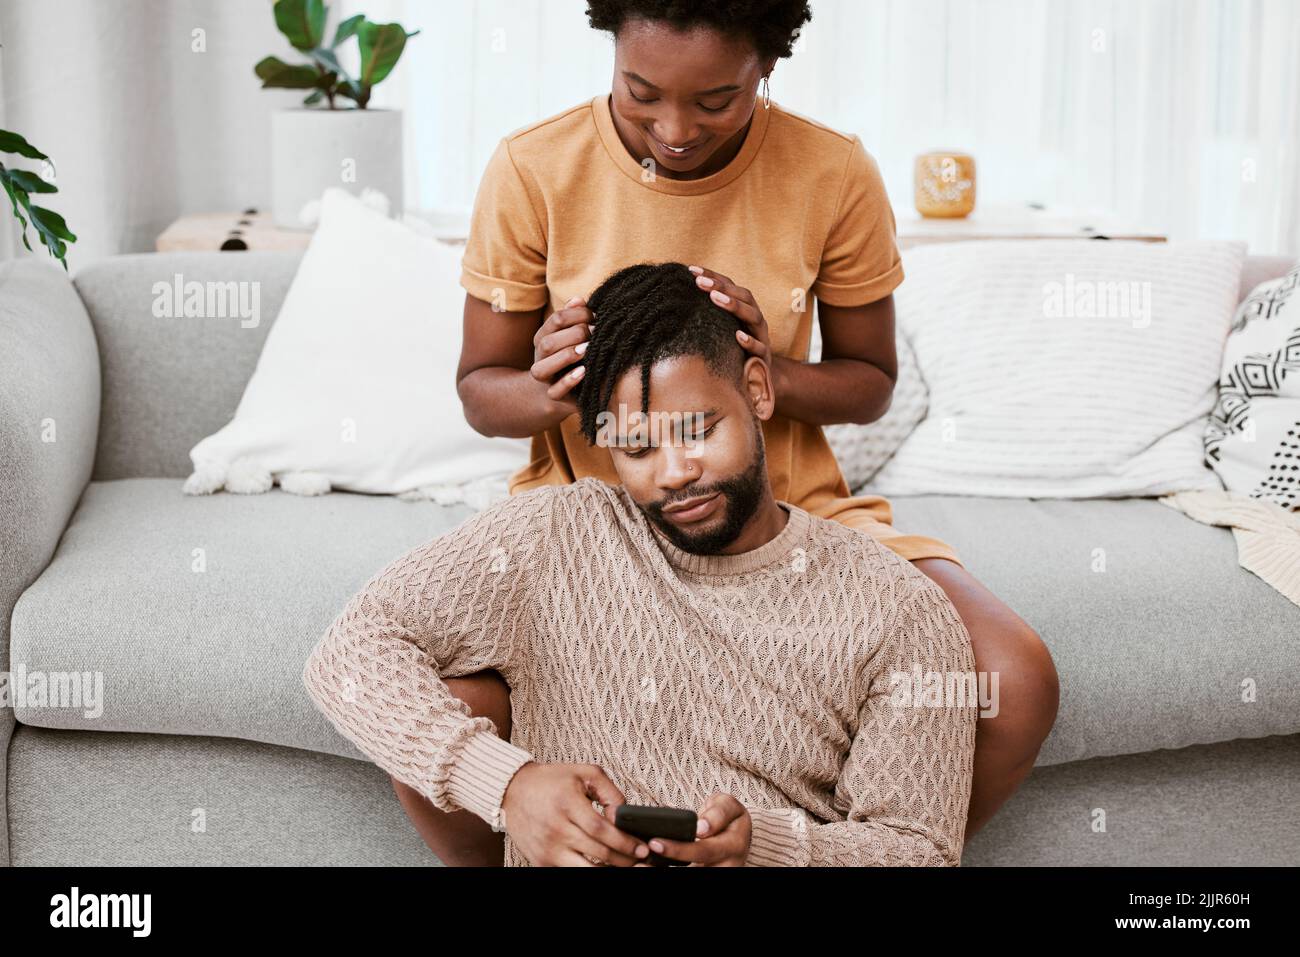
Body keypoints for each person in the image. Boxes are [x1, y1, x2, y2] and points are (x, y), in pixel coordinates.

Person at [428, 0, 1059, 864]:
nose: (674, 129)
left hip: (788, 506)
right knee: (445, 712)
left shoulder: (830, 171)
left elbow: (870, 381)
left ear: (766, 67)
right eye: (639, 92)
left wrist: (764, 368)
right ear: (610, 53)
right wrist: (554, 387)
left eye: (717, 100)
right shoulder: (534, 167)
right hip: (598, 523)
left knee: (1013, 680)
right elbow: (479, 390)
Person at [304, 262, 979, 866]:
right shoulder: (556, 534)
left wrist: (763, 848)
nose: (675, 473)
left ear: (757, 391)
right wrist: (507, 786)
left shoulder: (897, 607)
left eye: (698, 430)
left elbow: (916, 849)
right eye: (636, 446)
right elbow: (350, 651)